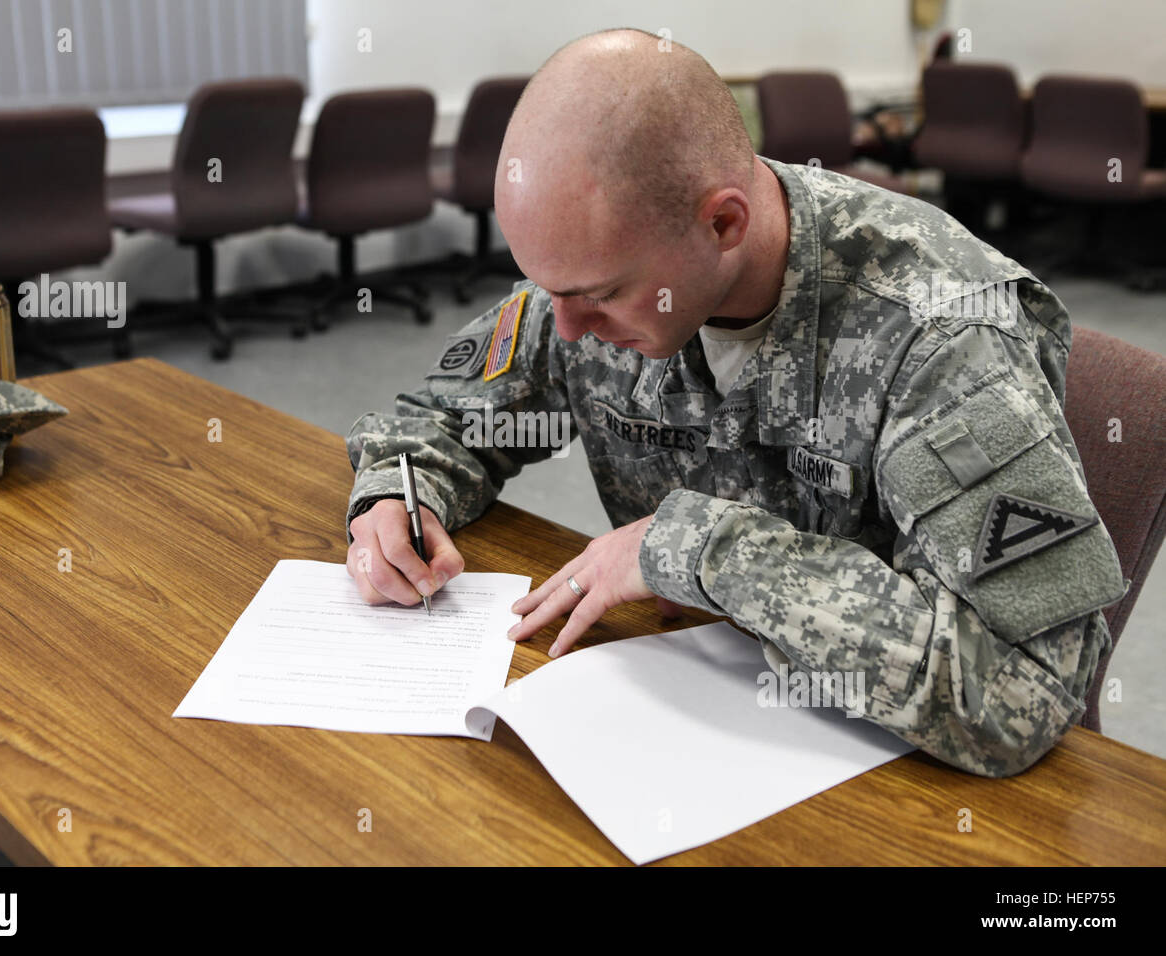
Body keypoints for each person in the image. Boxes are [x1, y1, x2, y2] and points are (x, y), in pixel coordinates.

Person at [341, 28, 1126, 777]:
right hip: (685, 725)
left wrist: (701, 551)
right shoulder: (601, 266)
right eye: (551, 291)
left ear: (722, 224)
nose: (568, 328)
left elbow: (1023, 691)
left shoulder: (942, 336)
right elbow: (437, 418)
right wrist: (395, 495)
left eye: (597, 296)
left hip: (887, 773)